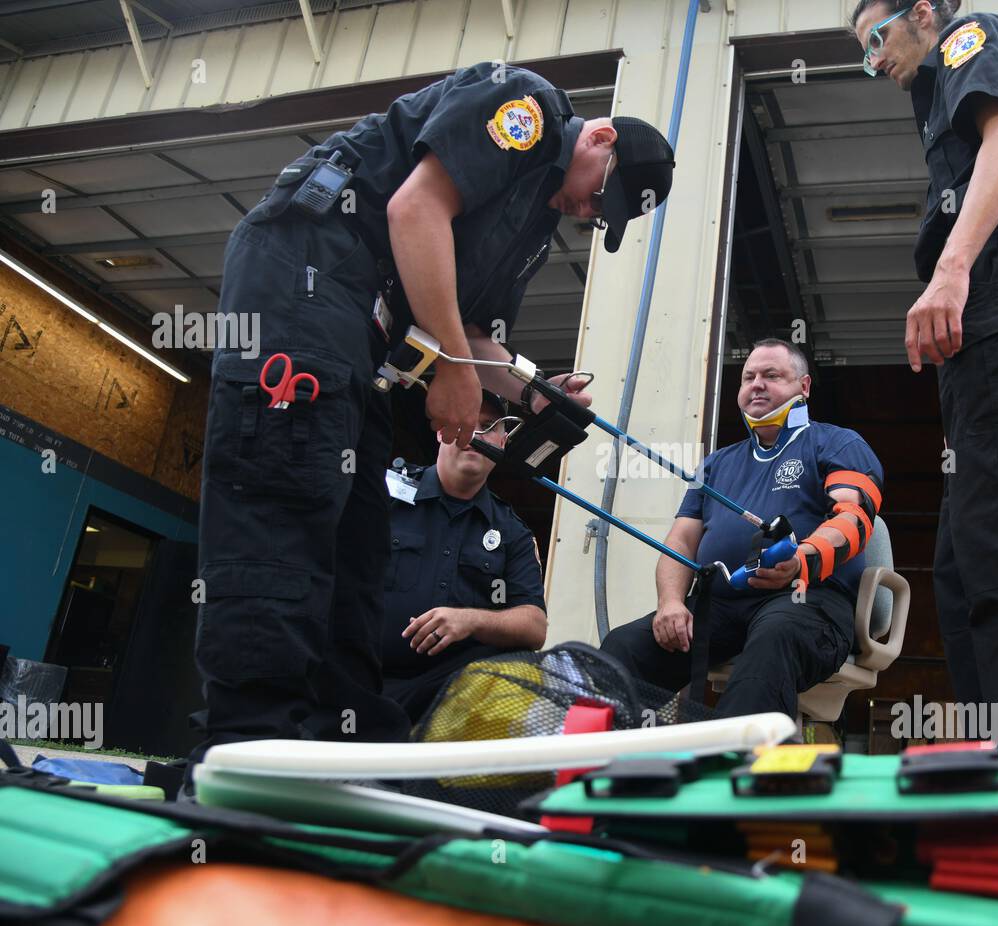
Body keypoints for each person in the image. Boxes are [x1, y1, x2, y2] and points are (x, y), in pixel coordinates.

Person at [192, 61, 674, 755]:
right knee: (287, 490)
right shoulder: (529, 109)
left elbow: (478, 338)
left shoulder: (530, 233)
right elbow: (413, 209)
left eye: (607, 217)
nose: (593, 212)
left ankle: (345, 746)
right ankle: (246, 739)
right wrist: (450, 363)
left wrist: (536, 396)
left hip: (359, 328)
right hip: (308, 267)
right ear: (599, 139)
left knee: (358, 539)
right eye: (605, 194)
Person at [851, 1, 998, 754]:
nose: (875, 62)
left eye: (876, 41)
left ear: (921, 12)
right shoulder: (936, 93)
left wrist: (952, 270)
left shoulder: (966, 35)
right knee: (962, 555)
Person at [600, 340, 884, 720]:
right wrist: (671, 602)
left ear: (804, 387)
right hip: (720, 607)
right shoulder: (716, 464)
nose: (756, 384)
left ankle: (736, 766)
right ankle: (602, 765)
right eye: (748, 377)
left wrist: (801, 562)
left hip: (806, 601)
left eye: (771, 375)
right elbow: (682, 540)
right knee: (624, 646)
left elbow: (854, 517)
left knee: (772, 638)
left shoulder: (838, 443)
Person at [381, 390, 547, 726]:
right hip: (363, 683)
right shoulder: (385, 494)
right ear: (442, 429)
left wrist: (470, 620)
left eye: (488, 427)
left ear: (502, 443)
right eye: (467, 421)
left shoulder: (512, 532)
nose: (476, 434)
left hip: (454, 700)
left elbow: (534, 625)